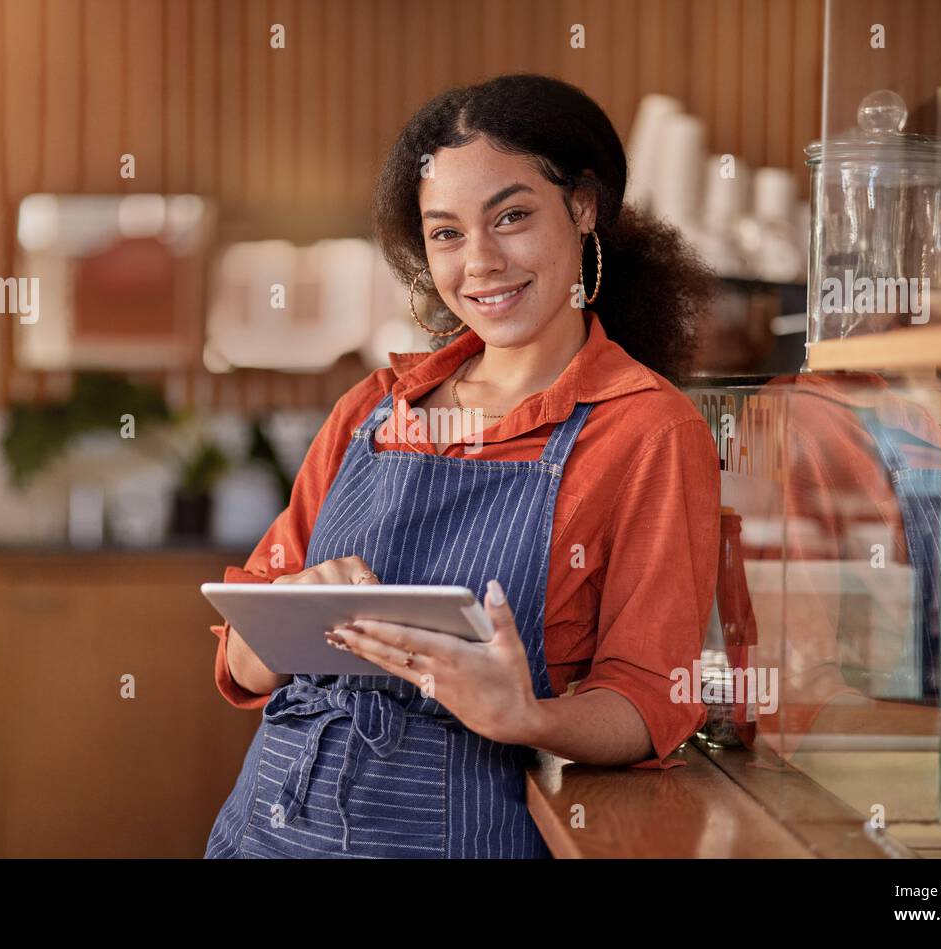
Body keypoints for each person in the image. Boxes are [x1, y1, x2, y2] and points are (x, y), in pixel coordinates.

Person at [203, 73, 720, 859]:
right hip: (268, 828)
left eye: (511, 217)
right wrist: (286, 612)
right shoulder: (370, 408)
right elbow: (240, 660)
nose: (480, 262)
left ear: (582, 207)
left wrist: (528, 717)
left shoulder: (647, 430)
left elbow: (651, 698)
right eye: (446, 233)